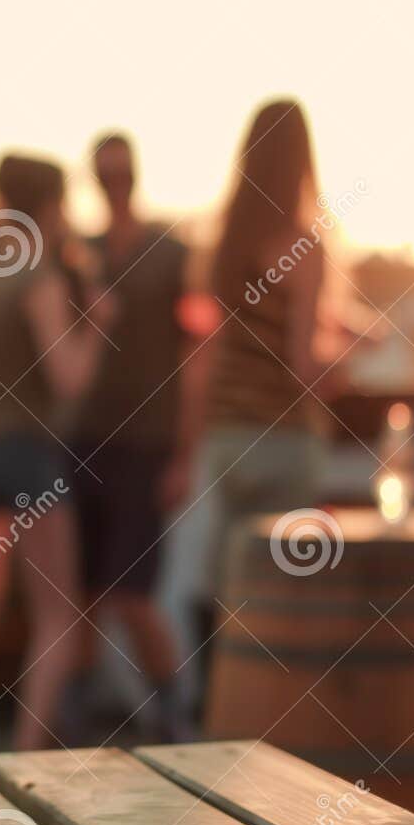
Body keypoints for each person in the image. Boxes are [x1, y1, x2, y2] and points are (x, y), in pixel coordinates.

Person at [0, 154, 109, 764]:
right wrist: (96, 328)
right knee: (57, 613)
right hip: (24, 452)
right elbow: (67, 378)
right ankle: (25, 758)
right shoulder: (38, 276)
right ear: (48, 206)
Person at [67, 133, 208, 742]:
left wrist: (185, 454)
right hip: (79, 441)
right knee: (81, 595)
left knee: (134, 592)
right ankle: (76, 721)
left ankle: (176, 713)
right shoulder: (79, 256)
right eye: (105, 175)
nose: (114, 184)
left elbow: (200, 353)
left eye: (122, 173)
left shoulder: (174, 254)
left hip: (147, 444)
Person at [196, 101, 346, 648]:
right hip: (282, 438)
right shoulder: (304, 246)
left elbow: (216, 347)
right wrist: (344, 363)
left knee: (232, 585)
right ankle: (271, 718)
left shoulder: (226, 247)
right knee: (282, 591)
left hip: (226, 437)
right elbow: (302, 365)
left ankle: (222, 709)